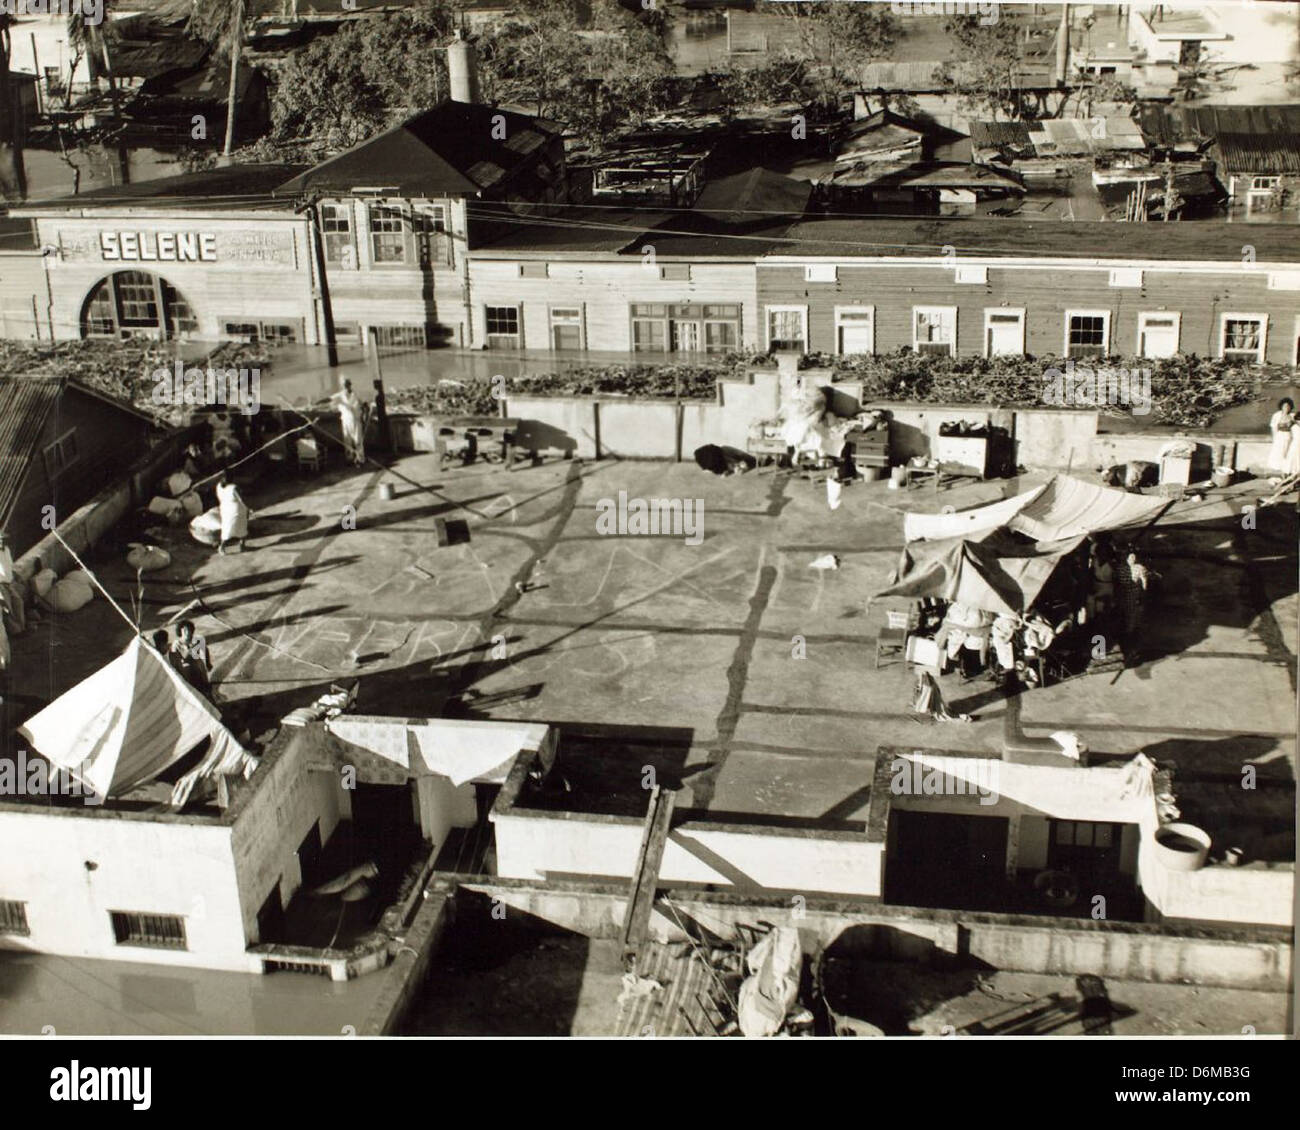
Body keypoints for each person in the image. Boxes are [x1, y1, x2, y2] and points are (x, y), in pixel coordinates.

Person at [331, 379, 367, 467]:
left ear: (350, 385)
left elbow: (364, 405)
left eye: (347, 385)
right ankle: (350, 459)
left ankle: (360, 459)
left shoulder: (356, 394)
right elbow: (328, 399)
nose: (346, 387)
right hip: (346, 421)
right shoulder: (340, 396)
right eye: (344, 385)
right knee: (347, 441)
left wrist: (364, 415)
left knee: (358, 440)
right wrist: (317, 404)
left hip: (356, 420)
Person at [169, 620, 211, 696]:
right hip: (184, 668)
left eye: (189, 630)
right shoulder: (176, 645)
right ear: (180, 631)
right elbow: (175, 661)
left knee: (201, 665)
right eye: (185, 630)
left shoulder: (196, 640)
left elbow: (205, 648)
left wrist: (208, 663)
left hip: (197, 666)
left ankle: (205, 687)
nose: (187, 632)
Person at [215, 471, 250, 555]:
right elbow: (242, 500)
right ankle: (242, 546)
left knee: (227, 528)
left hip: (225, 508)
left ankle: (222, 547)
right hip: (236, 510)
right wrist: (248, 508)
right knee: (242, 527)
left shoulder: (219, 486)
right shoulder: (234, 488)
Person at [0, 531, 24, 637]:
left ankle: (21, 628)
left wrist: (17, 577)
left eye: (2, 539)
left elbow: (10, 567)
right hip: (0, 585)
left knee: (18, 602)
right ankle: (15, 632)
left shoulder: (7, 550)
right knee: (8, 608)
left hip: (9, 583)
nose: (1, 541)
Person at [1267, 398, 1295, 475]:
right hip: (1280, 436)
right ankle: (1281, 472)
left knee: (1288, 453)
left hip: (1289, 436)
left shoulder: (1292, 415)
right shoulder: (1276, 415)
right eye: (1285, 406)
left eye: (1288, 406)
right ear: (1281, 407)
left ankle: (1287, 470)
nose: (1286, 408)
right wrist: (1275, 438)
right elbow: (1273, 427)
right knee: (1280, 453)